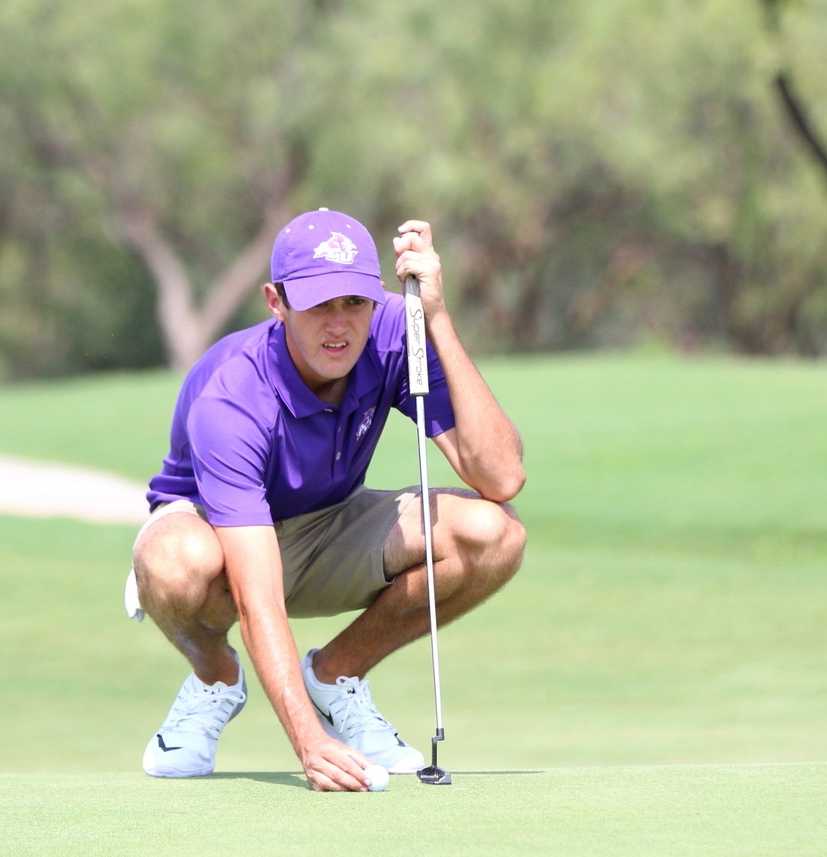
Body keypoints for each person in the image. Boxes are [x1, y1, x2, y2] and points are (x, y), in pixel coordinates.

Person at [123, 208, 525, 792]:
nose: (339, 326)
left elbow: (502, 475)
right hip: (216, 534)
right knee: (174, 562)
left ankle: (337, 674)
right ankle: (214, 677)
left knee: (495, 534)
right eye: (318, 304)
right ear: (276, 301)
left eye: (354, 303)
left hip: (330, 523)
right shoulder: (232, 396)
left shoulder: (395, 330)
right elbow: (259, 598)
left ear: (377, 298)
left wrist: (435, 319)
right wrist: (311, 745)